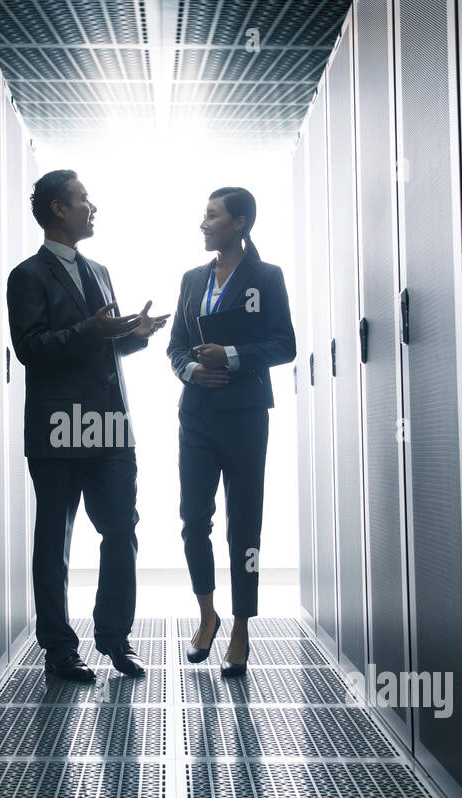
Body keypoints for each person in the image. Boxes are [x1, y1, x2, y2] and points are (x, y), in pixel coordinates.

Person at [8, 170, 168, 682]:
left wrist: (135, 335)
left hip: (109, 425)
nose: (92, 207)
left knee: (121, 529)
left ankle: (115, 639)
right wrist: (90, 329)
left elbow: (102, 344)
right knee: (54, 539)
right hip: (58, 427)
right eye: (83, 199)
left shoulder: (99, 270)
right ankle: (59, 649)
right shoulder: (27, 276)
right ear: (58, 208)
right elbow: (30, 349)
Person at [166, 186, 296, 677]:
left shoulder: (268, 276)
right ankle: (207, 615)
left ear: (239, 223)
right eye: (204, 214)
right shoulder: (191, 279)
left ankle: (241, 627)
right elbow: (176, 346)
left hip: (245, 416)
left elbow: (284, 344)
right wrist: (192, 370)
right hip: (197, 416)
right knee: (193, 519)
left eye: (212, 215)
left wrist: (232, 357)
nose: (203, 223)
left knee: (245, 524)